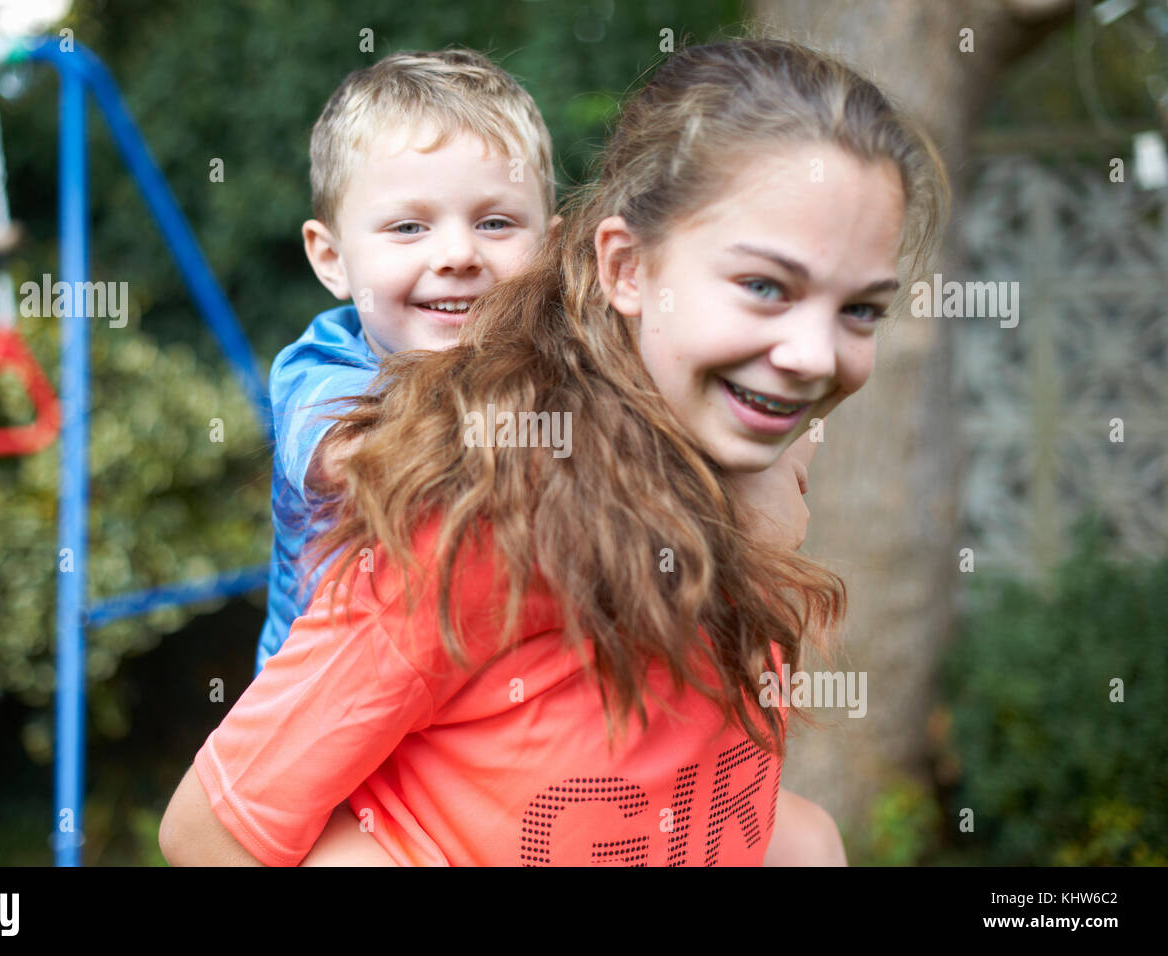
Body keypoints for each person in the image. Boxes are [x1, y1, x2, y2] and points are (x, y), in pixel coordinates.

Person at [164, 36, 949, 866]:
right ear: (624, 268)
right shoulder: (450, 492)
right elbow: (210, 830)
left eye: (861, 310)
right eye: (763, 286)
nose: (816, 356)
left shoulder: (736, 453)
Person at [254, 48, 558, 677]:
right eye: (408, 228)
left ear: (550, 247)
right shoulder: (318, 370)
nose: (457, 254)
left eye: (496, 222)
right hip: (325, 720)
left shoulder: (554, 355)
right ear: (332, 258)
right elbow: (366, 460)